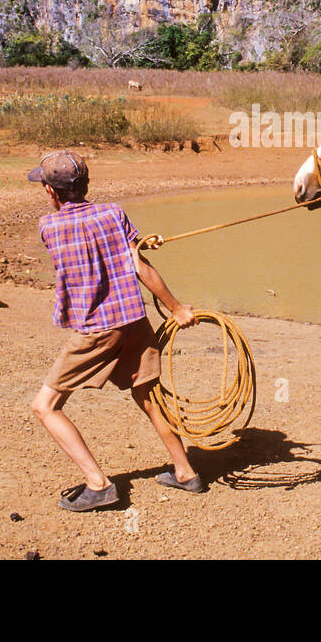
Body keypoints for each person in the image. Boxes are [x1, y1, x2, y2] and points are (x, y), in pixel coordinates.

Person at [27, 149, 204, 512]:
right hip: (133, 322)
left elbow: (86, 253)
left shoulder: (48, 226)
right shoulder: (113, 214)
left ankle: (99, 484)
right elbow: (140, 267)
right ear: (87, 183)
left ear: (51, 192)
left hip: (96, 329)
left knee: (45, 406)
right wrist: (176, 307)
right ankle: (186, 471)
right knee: (147, 396)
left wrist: (132, 244)